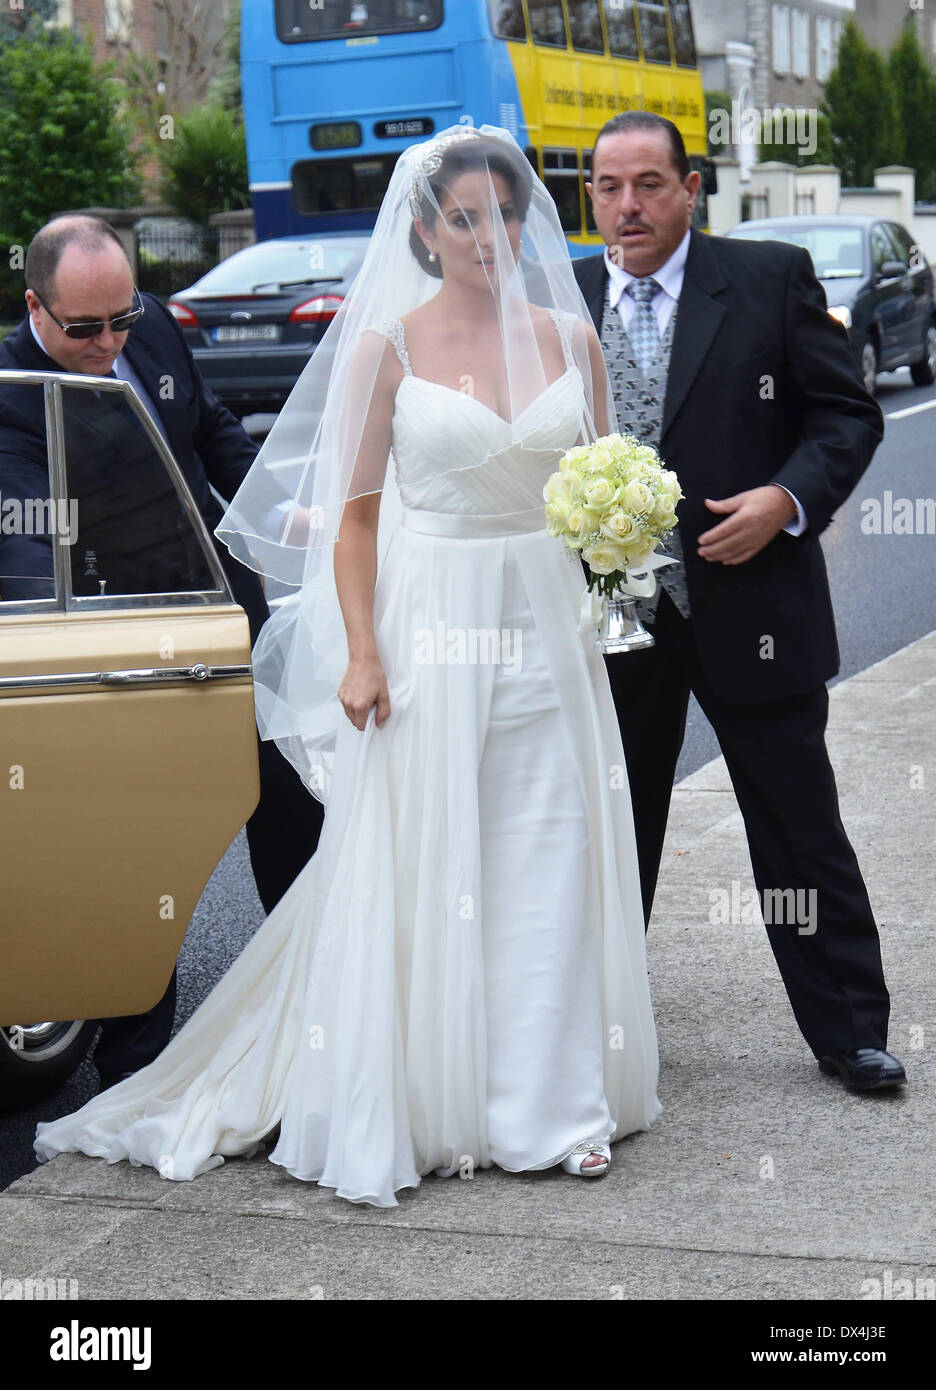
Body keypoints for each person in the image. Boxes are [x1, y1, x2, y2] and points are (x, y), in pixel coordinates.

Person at [33, 125, 661, 1207]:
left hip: (550, 636)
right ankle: (431, 1090)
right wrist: (362, 653)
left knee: (552, 853)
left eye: (504, 214)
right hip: (432, 628)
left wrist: (619, 555)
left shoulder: (573, 339)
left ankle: (556, 1104)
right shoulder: (390, 347)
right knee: (437, 856)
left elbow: (605, 483)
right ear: (423, 229)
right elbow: (357, 525)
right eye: (462, 216)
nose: (487, 235)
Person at [573, 111, 905, 1094]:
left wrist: (786, 499)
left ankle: (851, 1031)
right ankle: (597, 1029)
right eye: (606, 187)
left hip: (754, 609)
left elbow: (847, 413)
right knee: (606, 824)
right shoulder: (560, 300)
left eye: (646, 184)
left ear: (689, 187)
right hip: (613, 621)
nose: (626, 206)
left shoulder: (768, 279)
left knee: (795, 819)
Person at [0, 216, 324, 1089]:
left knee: (296, 815)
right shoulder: (8, 392)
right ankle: (137, 1065)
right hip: (128, 654)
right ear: (36, 305)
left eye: (123, 319)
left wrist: (279, 511)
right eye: (84, 329)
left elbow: (212, 431)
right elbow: (33, 546)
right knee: (141, 853)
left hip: (231, 625)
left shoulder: (158, 332)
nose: (109, 342)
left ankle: (322, 1004)